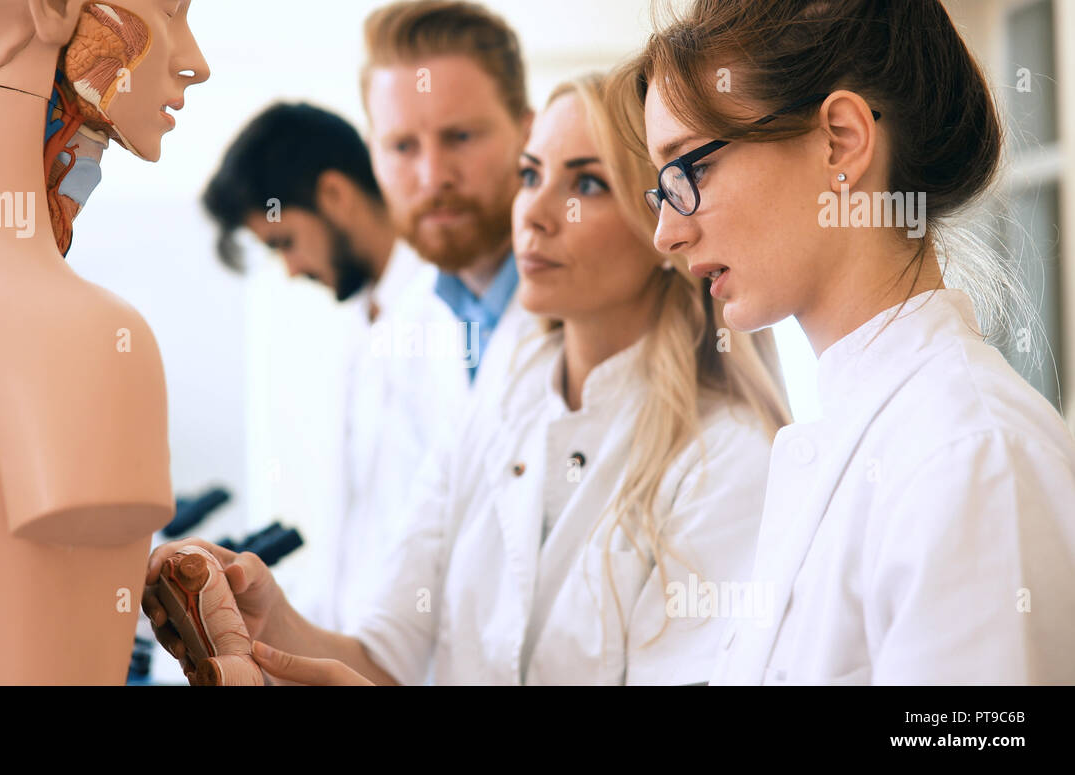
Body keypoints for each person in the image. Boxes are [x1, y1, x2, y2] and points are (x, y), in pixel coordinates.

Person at [144, 73, 793, 685]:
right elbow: (381, 655)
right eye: (530, 175)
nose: (534, 213)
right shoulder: (498, 400)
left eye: (587, 185)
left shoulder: (727, 460)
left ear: (666, 224)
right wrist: (267, 619)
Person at [632, 0, 1075, 683]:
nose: (667, 233)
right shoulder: (859, 433)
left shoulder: (969, 456)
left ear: (841, 140)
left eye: (691, 168)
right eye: (661, 190)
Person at [202, 102, 467, 633]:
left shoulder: (443, 314)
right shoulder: (364, 321)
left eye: (286, 243)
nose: (292, 268)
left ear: (335, 196)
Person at [358, 0, 536, 395]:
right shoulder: (402, 328)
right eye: (403, 146)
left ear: (528, 134)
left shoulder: (599, 308)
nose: (434, 177)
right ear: (372, 153)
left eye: (460, 137)